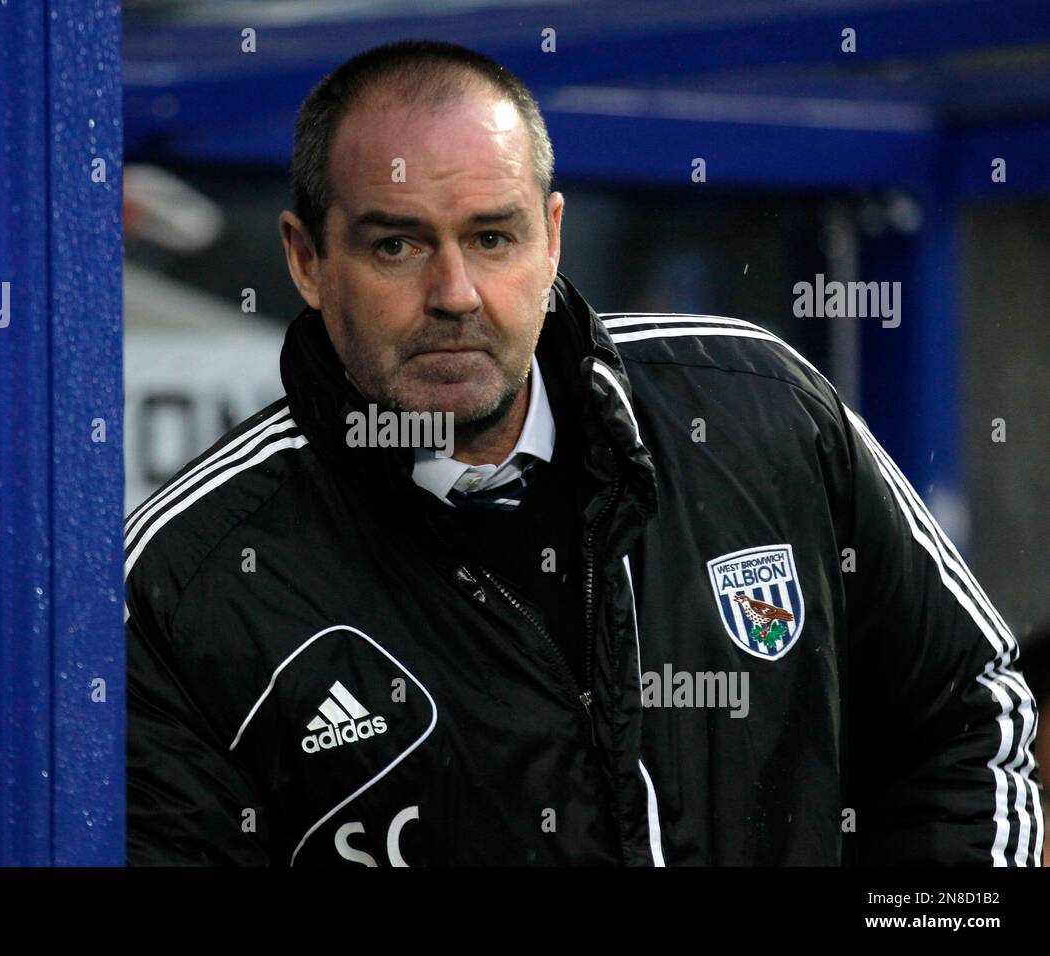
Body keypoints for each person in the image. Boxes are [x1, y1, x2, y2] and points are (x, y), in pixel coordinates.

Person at [124, 40, 1042, 866]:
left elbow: (970, 717)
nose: (456, 294)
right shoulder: (188, 582)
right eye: (397, 244)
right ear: (306, 259)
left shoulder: (760, 411)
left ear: (552, 235)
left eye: (493, 238)